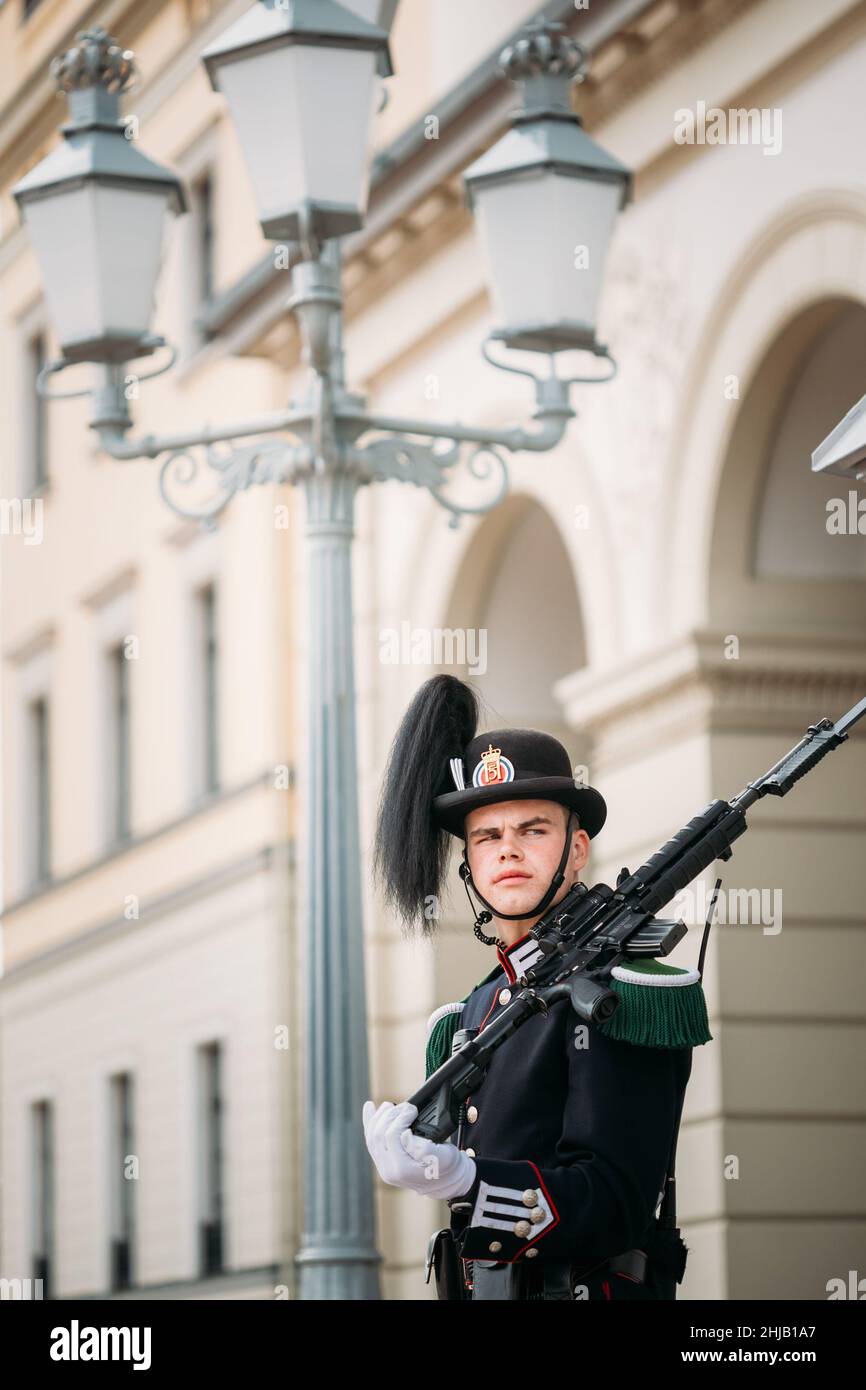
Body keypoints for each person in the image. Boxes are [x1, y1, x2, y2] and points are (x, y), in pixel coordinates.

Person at [362, 674, 711, 1300]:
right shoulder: (471, 1010)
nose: (508, 851)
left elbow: (614, 1203)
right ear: (469, 864)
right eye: (487, 836)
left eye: (533, 830)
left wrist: (469, 1180)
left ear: (576, 851)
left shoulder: (625, 993)